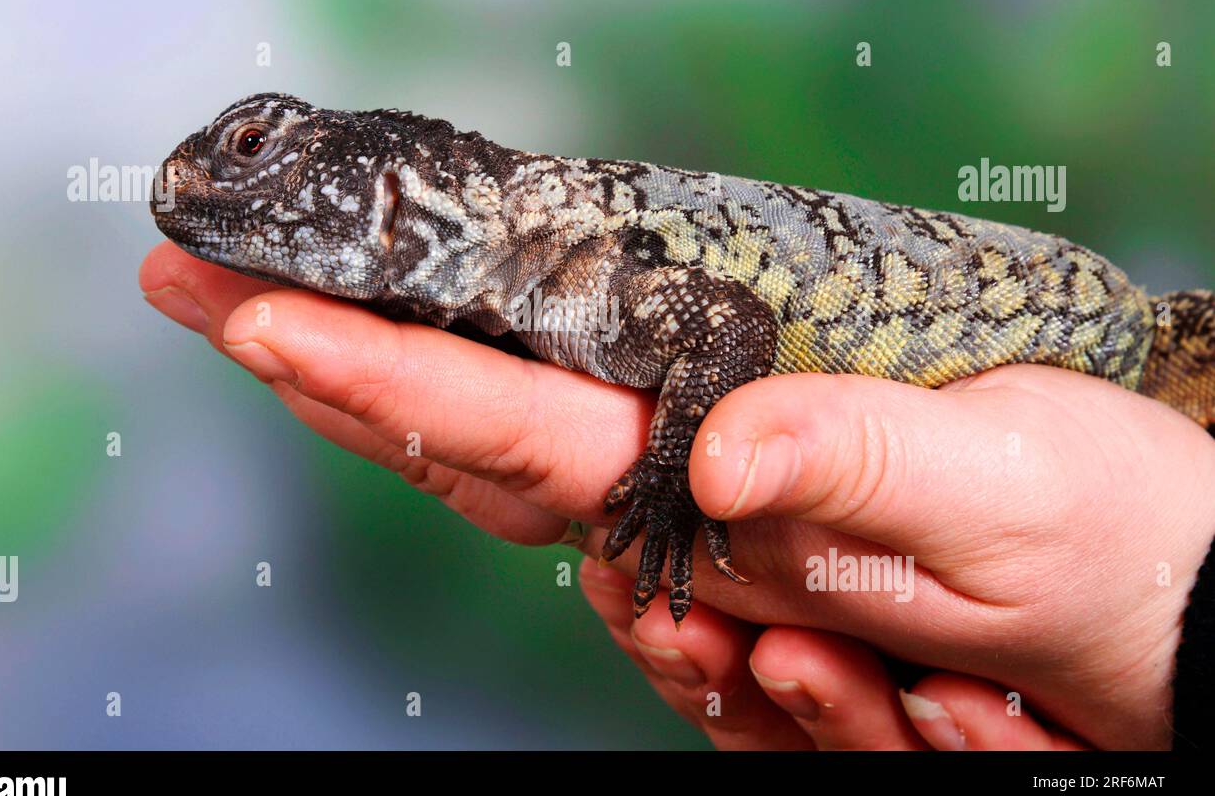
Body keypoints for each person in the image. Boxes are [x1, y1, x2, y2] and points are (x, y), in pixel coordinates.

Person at [141, 241, 1215, 750]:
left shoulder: (564, 237)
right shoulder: (523, 262)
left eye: (255, 148)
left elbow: (733, 329)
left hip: (1106, 331)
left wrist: (1170, 613)